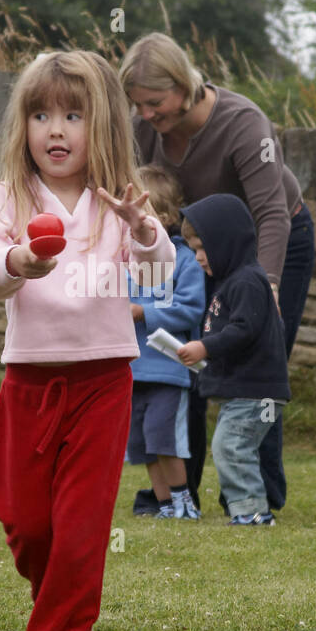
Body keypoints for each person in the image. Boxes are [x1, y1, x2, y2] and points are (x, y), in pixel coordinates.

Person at [0, 50, 175, 631]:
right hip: (28, 378)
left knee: (81, 520)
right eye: (40, 115)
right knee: (26, 521)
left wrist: (144, 230)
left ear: (103, 126)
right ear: (23, 127)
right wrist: (16, 263)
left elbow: (160, 276)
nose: (54, 130)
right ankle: (54, 595)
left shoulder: (119, 202)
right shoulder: (9, 198)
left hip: (105, 379)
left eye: (73, 115)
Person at [119, 33, 313, 515]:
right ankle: (180, 492)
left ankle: (255, 492)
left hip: (274, 242)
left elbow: (272, 214)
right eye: (137, 104)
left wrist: (265, 288)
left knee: (254, 369)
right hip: (195, 248)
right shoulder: (144, 129)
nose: (145, 115)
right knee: (191, 363)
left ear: (183, 86)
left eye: (154, 102)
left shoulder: (243, 124)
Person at [176, 194, 291, 526]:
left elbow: (243, 330)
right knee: (234, 446)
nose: (198, 258)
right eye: (193, 249)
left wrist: (204, 348)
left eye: (202, 248)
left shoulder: (247, 281)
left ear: (226, 241)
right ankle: (247, 508)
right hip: (249, 391)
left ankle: (252, 513)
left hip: (257, 391)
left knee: (231, 446)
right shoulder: (231, 281)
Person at [126, 166, 204, 519]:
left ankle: (183, 503)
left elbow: (189, 309)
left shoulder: (184, 260)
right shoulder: (123, 259)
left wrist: (143, 312)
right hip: (129, 371)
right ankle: (164, 505)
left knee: (165, 440)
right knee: (142, 445)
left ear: (168, 217)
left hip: (167, 372)